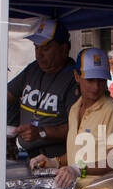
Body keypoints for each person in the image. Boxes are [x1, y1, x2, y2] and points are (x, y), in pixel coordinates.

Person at [30, 47, 113, 189]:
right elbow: (77, 153)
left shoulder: (112, 111)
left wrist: (79, 169)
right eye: (90, 80)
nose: (96, 87)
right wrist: (55, 162)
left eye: (101, 81)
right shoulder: (74, 109)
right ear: (76, 76)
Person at [6, 19, 79, 163]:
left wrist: (42, 132)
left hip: (55, 159)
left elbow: (78, 126)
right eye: (36, 48)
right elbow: (6, 95)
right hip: (26, 155)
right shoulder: (33, 68)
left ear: (64, 49)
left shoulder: (74, 78)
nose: (39, 54)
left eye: (45, 49)